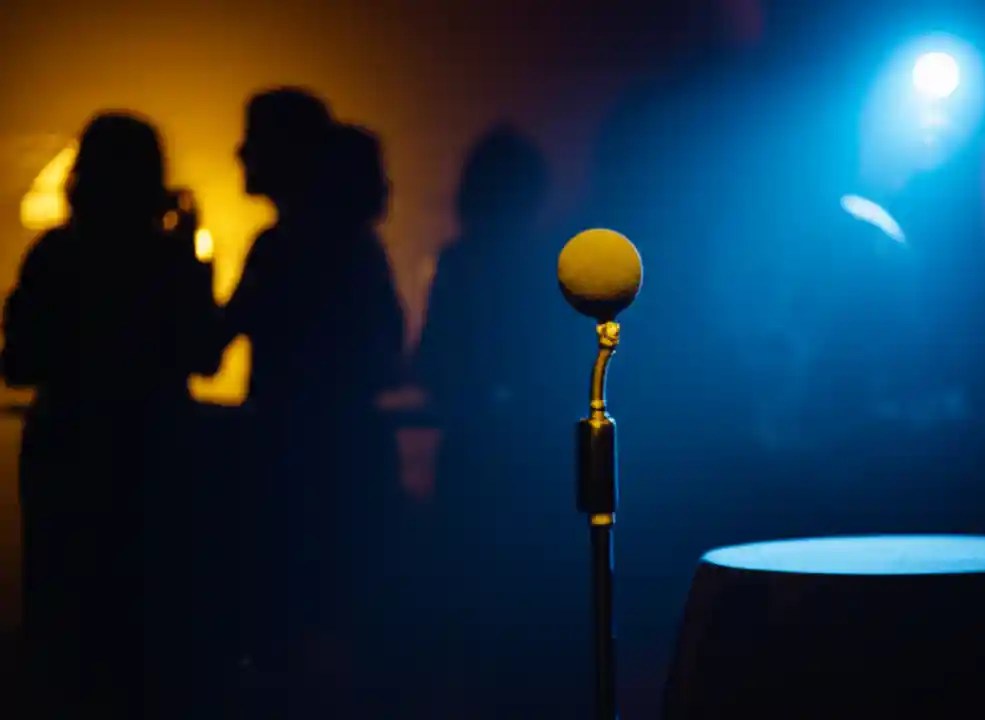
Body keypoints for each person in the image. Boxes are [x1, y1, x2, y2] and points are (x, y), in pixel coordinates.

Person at [1, 112, 220, 718]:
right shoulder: (170, 260)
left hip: (66, 448)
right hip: (154, 453)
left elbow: (18, 361)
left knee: (63, 618)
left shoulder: (52, 256)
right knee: (149, 624)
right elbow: (202, 352)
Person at [224, 91, 404, 717]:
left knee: (287, 632)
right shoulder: (357, 248)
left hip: (286, 463)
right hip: (351, 457)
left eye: (253, 140)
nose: (239, 153)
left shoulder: (278, 247)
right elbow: (388, 357)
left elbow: (206, 346)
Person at [413, 123, 586, 717]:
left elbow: (431, 362)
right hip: (536, 461)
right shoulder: (551, 265)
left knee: (473, 620)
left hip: (475, 456)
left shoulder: (460, 263)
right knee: (532, 621)